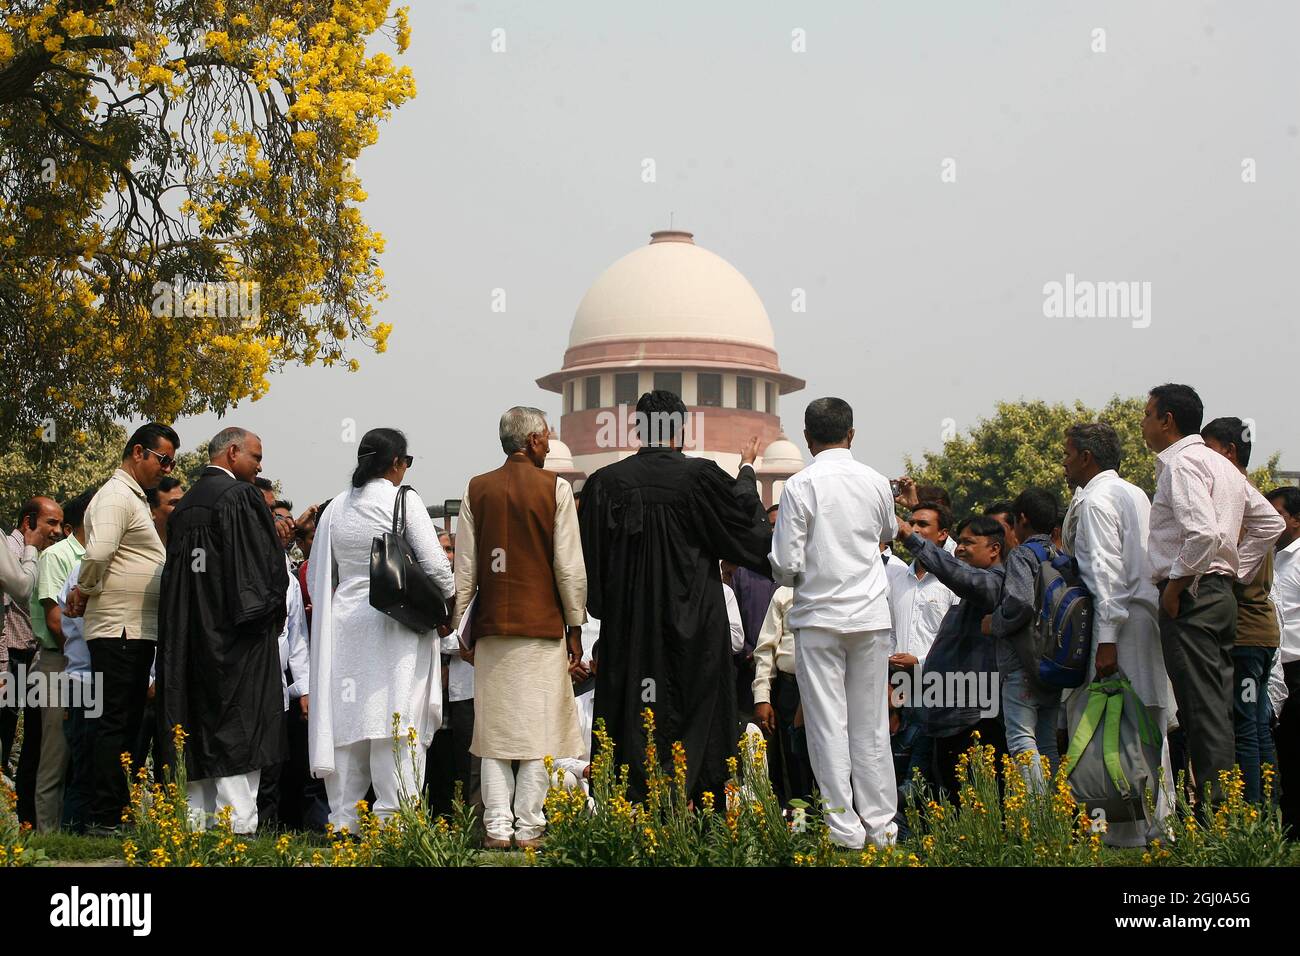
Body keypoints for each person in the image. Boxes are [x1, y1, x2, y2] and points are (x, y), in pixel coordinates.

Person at [579, 389, 772, 802]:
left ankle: (631, 803)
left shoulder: (605, 485)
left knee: (633, 711)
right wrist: (747, 471)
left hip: (630, 629)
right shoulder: (701, 478)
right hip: (695, 627)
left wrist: (609, 608)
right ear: (679, 429)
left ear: (637, 429)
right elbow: (748, 532)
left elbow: (590, 572)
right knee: (695, 707)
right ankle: (696, 801)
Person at [452, 407, 586, 849]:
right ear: (531, 441)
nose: (549, 444)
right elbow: (569, 569)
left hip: (492, 631)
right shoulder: (556, 490)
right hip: (541, 629)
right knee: (537, 734)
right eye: (546, 437)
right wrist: (575, 628)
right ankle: (529, 828)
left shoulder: (477, 488)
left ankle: (496, 828)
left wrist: (460, 630)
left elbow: (466, 571)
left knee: (493, 737)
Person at [1141, 384, 1283, 804]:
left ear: (1167, 420)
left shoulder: (1183, 463)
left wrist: (1178, 585)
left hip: (1192, 597)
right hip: (1216, 596)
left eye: (1148, 415)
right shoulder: (1220, 464)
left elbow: (1202, 533)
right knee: (1213, 709)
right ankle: (1226, 814)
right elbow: (1271, 525)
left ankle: (1220, 819)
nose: (1144, 424)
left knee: (1202, 713)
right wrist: (1234, 570)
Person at [309, 428, 455, 832]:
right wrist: (447, 600)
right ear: (396, 463)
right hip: (394, 623)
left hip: (346, 623)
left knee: (349, 723)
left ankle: (343, 820)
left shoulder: (336, 507)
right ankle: (395, 819)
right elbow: (437, 566)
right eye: (406, 463)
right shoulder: (403, 501)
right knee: (396, 719)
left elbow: (318, 577)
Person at [768, 398, 898, 848]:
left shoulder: (801, 485)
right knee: (871, 726)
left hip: (820, 618)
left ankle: (845, 831)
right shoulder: (877, 481)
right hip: (869, 616)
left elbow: (785, 566)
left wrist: (788, 566)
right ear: (852, 434)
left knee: (828, 725)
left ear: (807, 437)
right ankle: (881, 828)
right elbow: (889, 534)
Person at [156, 427, 289, 834]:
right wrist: (269, 611)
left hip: (190, 639)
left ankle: (195, 826)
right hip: (235, 641)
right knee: (237, 726)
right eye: (256, 456)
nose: (260, 466)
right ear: (232, 453)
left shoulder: (184, 506)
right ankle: (238, 826)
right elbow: (258, 577)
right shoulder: (240, 498)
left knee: (193, 725)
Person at [1061, 422, 1174, 845]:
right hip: (1143, 620)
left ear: (1087, 457)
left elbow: (1104, 574)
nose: (1064, 461)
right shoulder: (1133, 492)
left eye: (1068, 453)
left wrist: (1106, 640)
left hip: (1117, 625)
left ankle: (1118, 832)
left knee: (1100, 725)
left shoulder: (1097, 500)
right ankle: (1156, 828)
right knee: (1146, 724)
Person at [65, 421, 178, 834]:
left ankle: (112, 811)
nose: (166, 468)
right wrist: (83, 588)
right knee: (115, 721)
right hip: (120, 629)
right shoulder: (116, 495)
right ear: (137, 453)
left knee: (124, 721)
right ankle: (105, 815)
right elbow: (97, 551)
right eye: (162, 459)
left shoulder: (130, 497)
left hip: (130, 628)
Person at [894, 514, 1008, 798]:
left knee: (974, 795)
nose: (960, 548)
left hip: (973, 716)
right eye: (960, 542)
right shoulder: (971, 588)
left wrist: (910, 536)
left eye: (969, 542)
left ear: (994, 549)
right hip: (944, 709)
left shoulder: (993, 584)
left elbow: (957, 573)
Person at [1202, 417, 1282, 805]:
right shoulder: (1249, 496)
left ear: (1229, 452)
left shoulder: (1239, 498)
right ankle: (1267, 813)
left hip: (1247, 634)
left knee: (1245, 728)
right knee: (1256, 727)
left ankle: (1252, 817)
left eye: (1209, 448)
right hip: (1258, 634)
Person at [984, 487, 1063, 789]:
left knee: (1020, 740)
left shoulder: (1021, 555)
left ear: (1022, 519)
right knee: (1047, 744)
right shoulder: (1060, 556)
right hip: (1052, 663)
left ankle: (1036, 816)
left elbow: (1020, 602)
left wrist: (995, 623)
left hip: (1022, 663)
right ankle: (1056, 811)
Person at [885, 498, 959, 793]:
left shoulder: (954, 582)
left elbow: (955, 641)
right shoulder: (898, 579)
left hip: (941, 687)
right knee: (898, 769)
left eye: (923, 524)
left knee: (931, 773)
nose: (913, 529)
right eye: (911, 523)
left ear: (943, 535)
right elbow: (889, 634)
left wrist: (921, 662)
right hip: (900, 688)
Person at [8, 497, 63, 823]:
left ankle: (25, 820)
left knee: (32, 744)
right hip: (11, 660)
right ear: (29, 522)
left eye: (59, 524)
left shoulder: (41, 556)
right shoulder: (14, 554)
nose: (56, 531)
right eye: (50, 524)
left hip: (29, 659)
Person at [30, 495, 82, 831]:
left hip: (80, 666)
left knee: (78, 754)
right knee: (54, 757)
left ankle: (72, 831)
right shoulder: (57, 556)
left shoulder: (90, 558)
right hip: (59, 664)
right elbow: (55, 621)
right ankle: (48, 837)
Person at [750, 585, 814, 805]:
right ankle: (800, 829)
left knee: (828, 763)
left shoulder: (835, 586)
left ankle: (830, 831)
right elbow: (766, 648)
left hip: (827, 688)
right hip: (790, 689)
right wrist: (762, 697)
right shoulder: (785, 592)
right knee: (793, 765)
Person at [137, 476, 182, 779]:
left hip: (174, 683)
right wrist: (150, 678)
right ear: (153, 511)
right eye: (173, 503)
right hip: (140, 679)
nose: (181, 509)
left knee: (170, 770)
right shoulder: (138, 556)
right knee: (131, 761)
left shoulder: (188, 551)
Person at [1266, 486, 1300, 832]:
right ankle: (1289, 824)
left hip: (1298, 666)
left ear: (1296, 519)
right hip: (1279, 668)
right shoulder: (1273, 557)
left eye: (1277, 514)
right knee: (1285, 752)